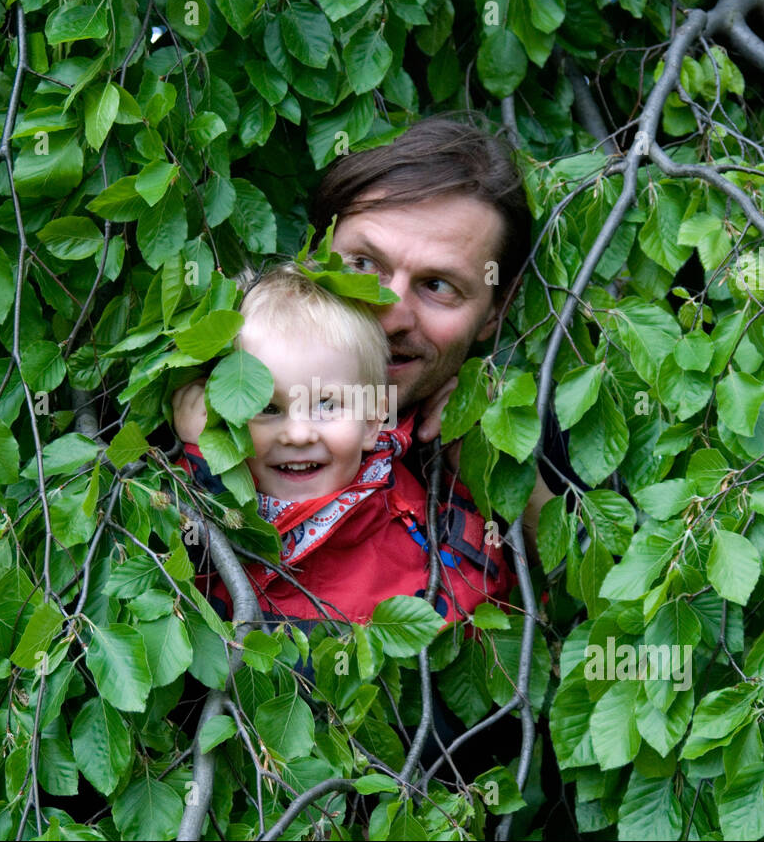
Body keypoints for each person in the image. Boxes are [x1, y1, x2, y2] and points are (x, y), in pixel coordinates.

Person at [171, 262, 511, 625]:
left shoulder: (412, 526)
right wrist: (204, 458)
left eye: (326, 405)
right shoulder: (192, 498)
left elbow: (478, 598)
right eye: (267, 408)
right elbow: (179, 572)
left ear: (370, 420)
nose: (298, 434)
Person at [307, 114, 582, 558]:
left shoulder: (542, 440)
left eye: (438, 285)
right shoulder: (208, 393)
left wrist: (510, 483)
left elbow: (606, 606)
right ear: (314, 255)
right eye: (362, 265)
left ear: (495, 312)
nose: (391, 315)